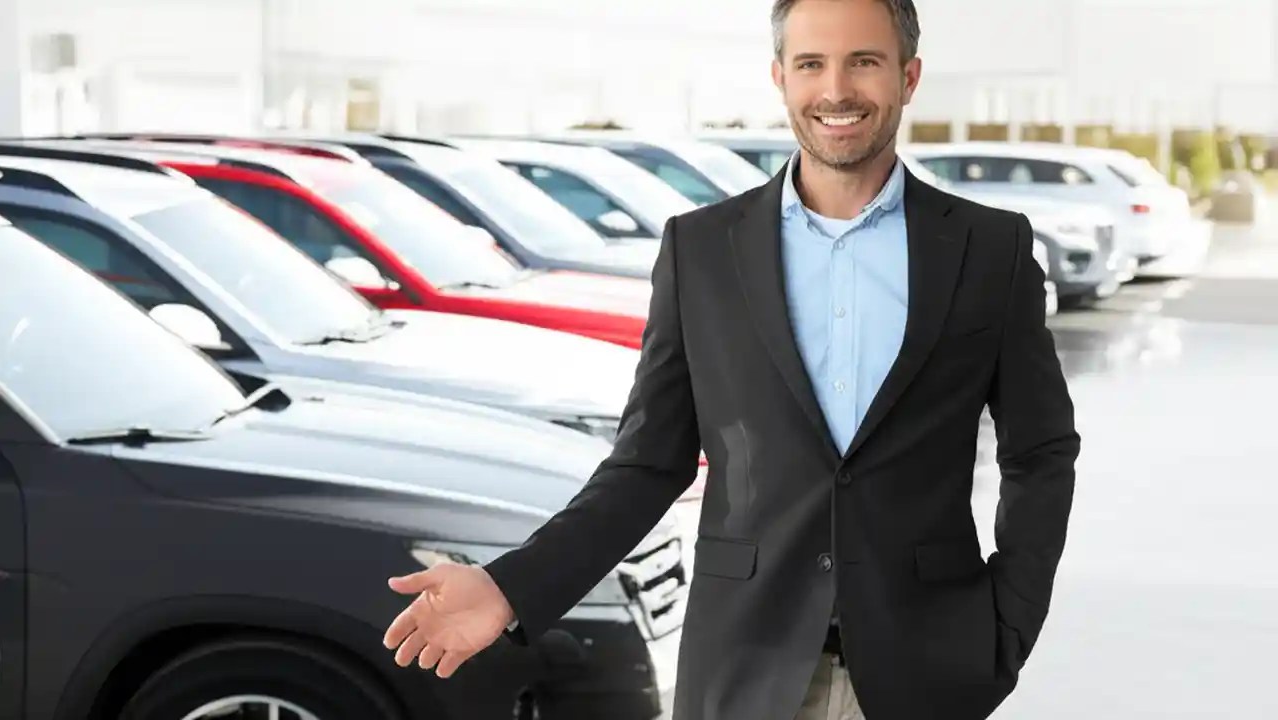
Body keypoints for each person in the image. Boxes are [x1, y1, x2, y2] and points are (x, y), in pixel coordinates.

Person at [382, 0, 1080, 718]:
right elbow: (647, 464)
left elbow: (1042, 451)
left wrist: (1008, 624)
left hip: (927, 675)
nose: (835, 89)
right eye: (811, 63)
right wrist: (509, 587)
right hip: (746, 675)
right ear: (780, 77)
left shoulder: (989, 250)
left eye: (863, 62)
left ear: (909, 75)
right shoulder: (702, 252)